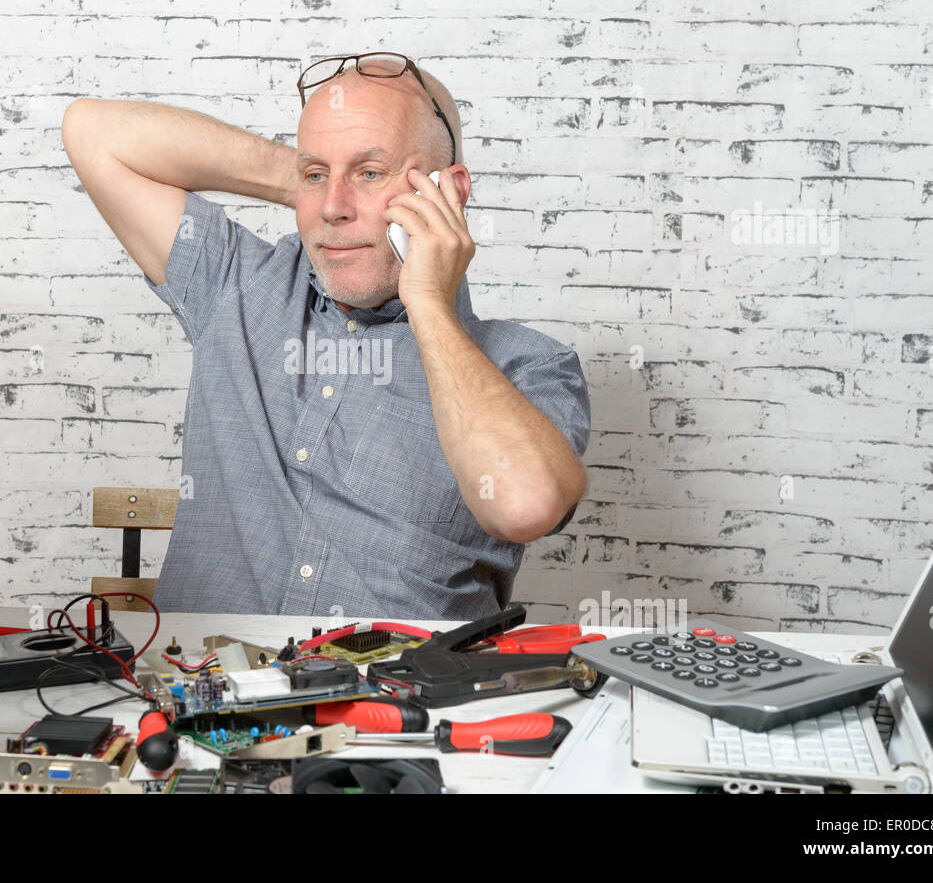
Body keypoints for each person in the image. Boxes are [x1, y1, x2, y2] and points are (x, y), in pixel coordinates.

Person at [61, 52, 590, 620]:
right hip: (206, 691)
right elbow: (93, 132)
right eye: (315, 177)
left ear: (449, 192)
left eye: (370, 172)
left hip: (403, 699)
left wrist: (430, 303)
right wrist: (320, 182)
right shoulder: (236, 286)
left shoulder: (528, 366)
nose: (334, 209)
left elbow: (524, 506)